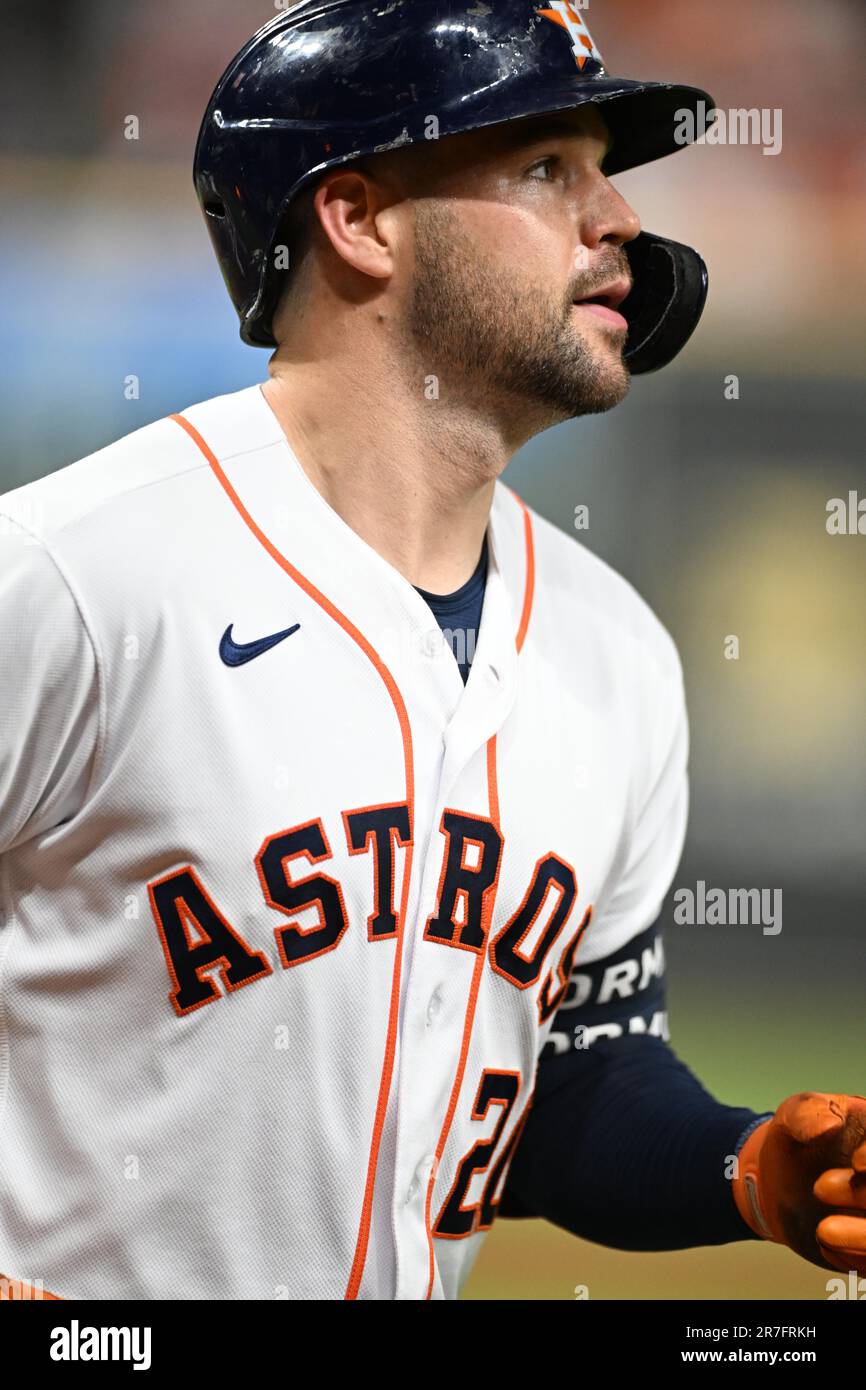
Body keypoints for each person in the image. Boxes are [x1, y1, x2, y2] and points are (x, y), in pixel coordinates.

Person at [0, 0, 863, 1301]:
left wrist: (741, 1169)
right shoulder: (72, 572)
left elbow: (571, 1080)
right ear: (354, 219)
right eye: (542, 168)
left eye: (605, 174)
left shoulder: (616, 649)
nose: (618, 220)